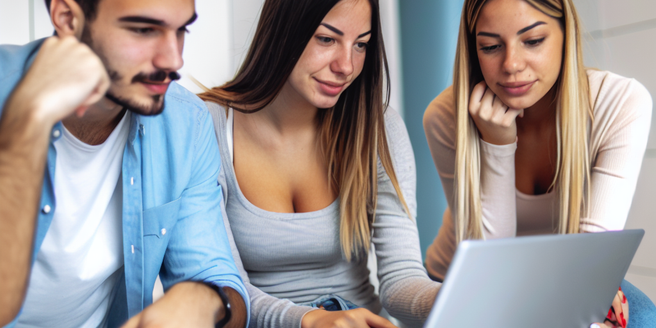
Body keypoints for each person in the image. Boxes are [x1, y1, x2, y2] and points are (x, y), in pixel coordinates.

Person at [0, 0, 249, 327]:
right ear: (67, 18)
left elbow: (215, 275)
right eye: (144, 30)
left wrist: (208, 300)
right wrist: (26, 127)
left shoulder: (186, 122)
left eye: (181, 30)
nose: (174, 60)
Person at [199, 0, 440, 327]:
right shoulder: (206, 126)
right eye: (327, 39)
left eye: (360, 45)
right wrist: (310, 321)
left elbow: (401, 278)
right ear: (282, 31)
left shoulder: (376, 128)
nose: (346, 66)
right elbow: (224, 291)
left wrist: (444, 297)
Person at [422, 0, 654, 327]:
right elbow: (494, 268)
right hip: (461, 282)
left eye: (532, 41)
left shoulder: (619, 103)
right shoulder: (447, 118)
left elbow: (589, 266)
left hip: (564, 274)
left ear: (565, 34)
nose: (512, 64)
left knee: (644, 319)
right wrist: (497, 145)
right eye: (490, 46)